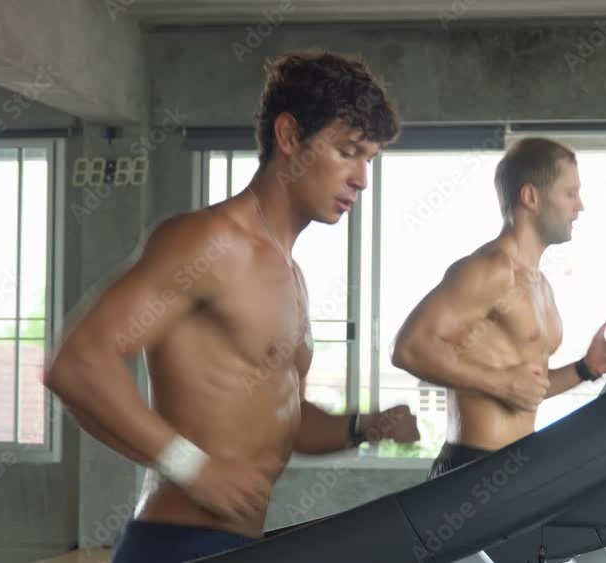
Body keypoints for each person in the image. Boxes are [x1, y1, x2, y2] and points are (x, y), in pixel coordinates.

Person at [45, 50, 420, 563]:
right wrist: (192, 467)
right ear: (289, 137)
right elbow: (77, 363)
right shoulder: (211, 243)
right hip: (175, 545)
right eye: (348, 151)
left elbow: (281, 418)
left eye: (369, 159)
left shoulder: (292, 275)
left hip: (237, 545)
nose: (362, 179)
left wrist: (362, 427)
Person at [391, 137, 606, 481]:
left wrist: (585, 368)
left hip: (516, 467)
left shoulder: (540, 283)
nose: (580, 206)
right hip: (471, 469)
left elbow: (524, 388)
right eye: (570, 193)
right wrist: (502, 383)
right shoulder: (489, 269)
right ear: (530, 197)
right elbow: (408, 349)